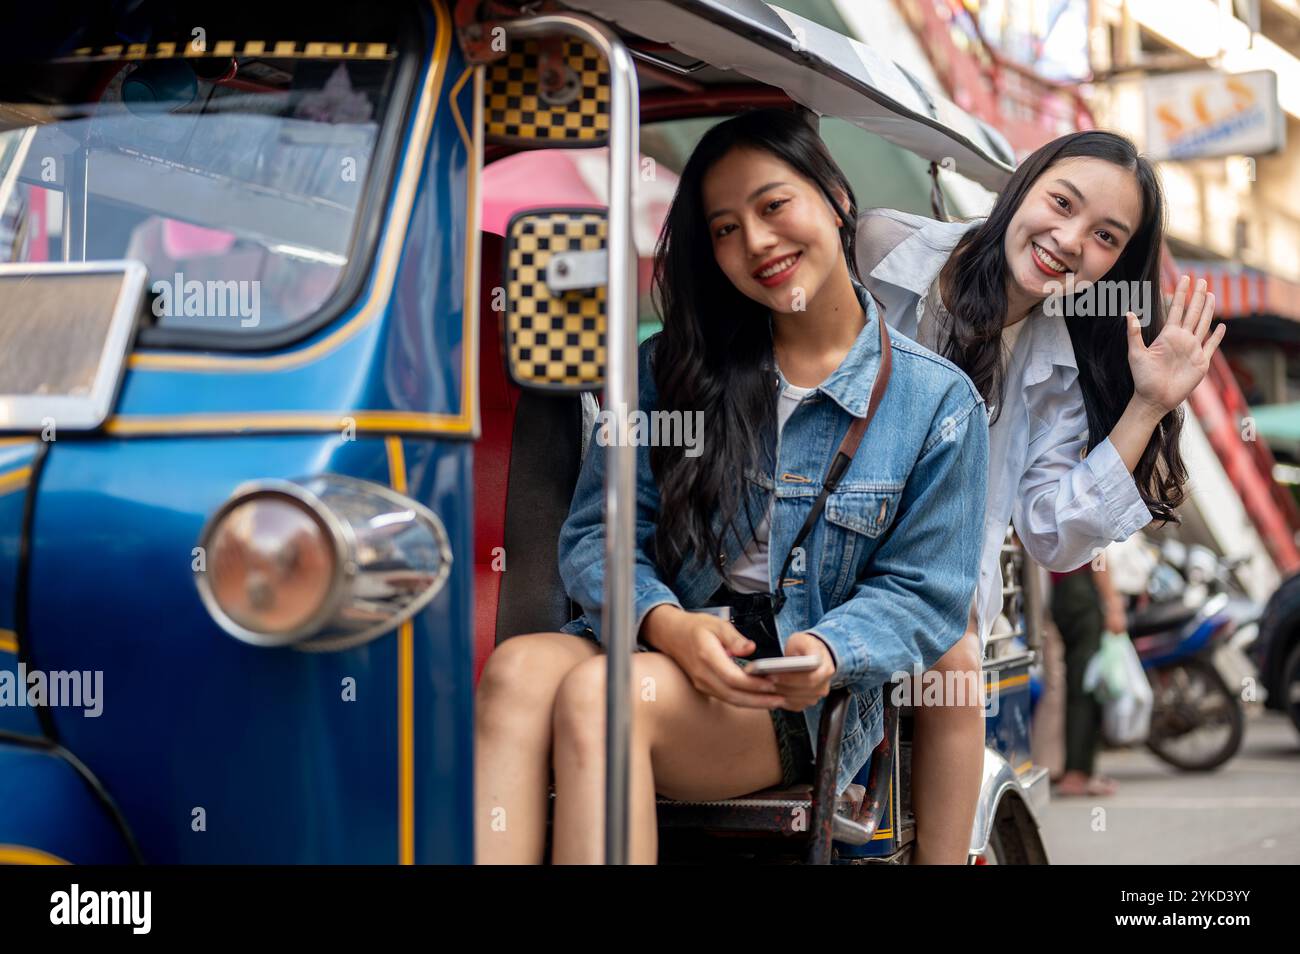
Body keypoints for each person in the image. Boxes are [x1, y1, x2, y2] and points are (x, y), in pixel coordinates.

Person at [475, 108, 988, 864]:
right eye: (723, 228)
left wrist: (827, 649)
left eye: (773, 206)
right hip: (657, 638)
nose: (755, 243)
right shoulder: (671, 371)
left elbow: (925, 594)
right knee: (516, 669)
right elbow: (598, 535)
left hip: (787, 688)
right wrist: (665, 624)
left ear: (836, 200)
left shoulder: (936, 403)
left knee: (607, 696)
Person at [856, 130, 1223, 861]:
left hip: (933, 607)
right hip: (805, 557)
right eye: (1062, 202)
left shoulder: (1058, 365)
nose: (1068, 239)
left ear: (1116, 263)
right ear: (1024, 184)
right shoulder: (882, 251)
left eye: (1105, 236)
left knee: (952, 665)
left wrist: (1146, 406)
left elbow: (1053, 532)